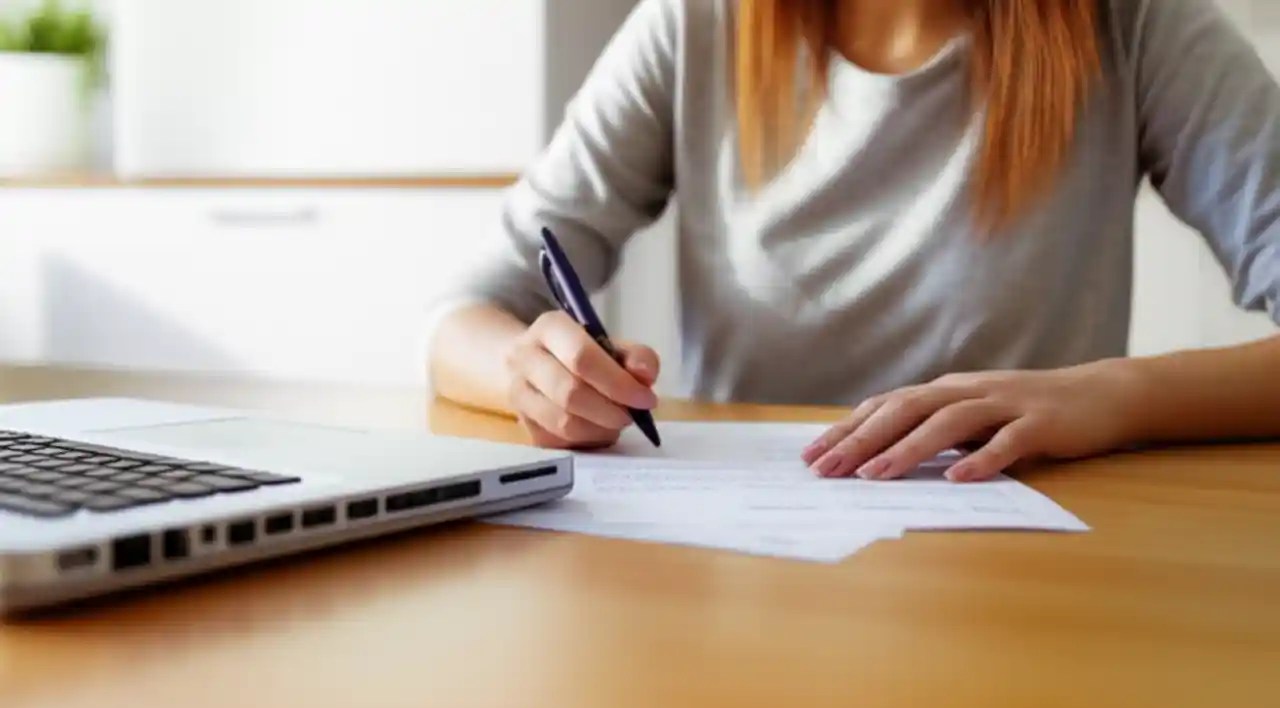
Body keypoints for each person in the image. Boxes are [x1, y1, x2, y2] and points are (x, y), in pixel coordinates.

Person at [428, 0, 1280, 482]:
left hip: (1016, 570)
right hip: (742, 578)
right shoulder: (698, 23)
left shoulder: (1132, 24)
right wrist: (530, 375)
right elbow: (463, 315)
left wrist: (1109, 399)